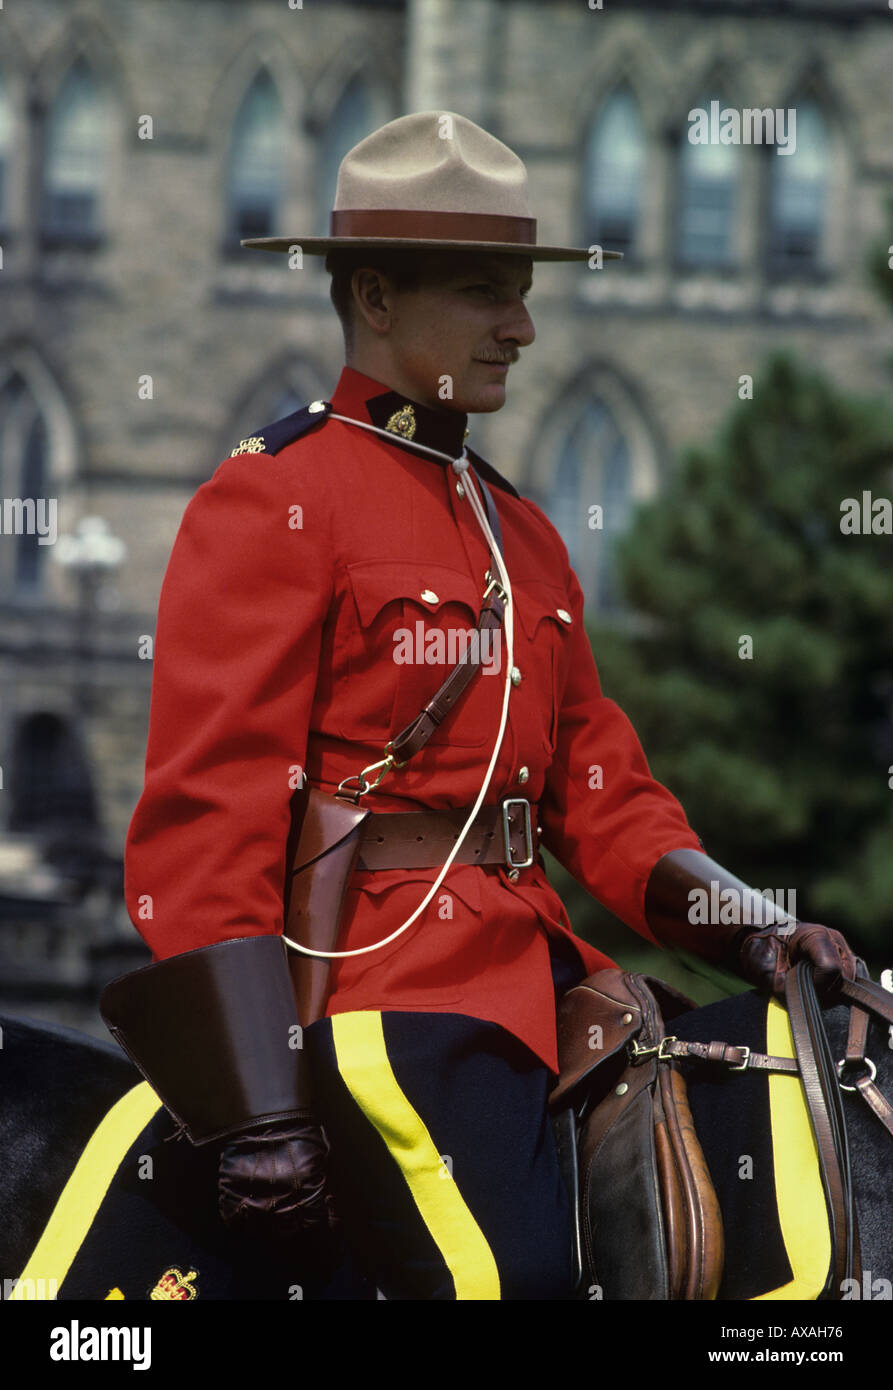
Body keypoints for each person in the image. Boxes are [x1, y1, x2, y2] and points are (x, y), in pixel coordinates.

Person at [108, 111, 858, 1301]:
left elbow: (604, 798)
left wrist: (754, 928)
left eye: (519, 290)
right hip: (378, 1008)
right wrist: (257, 1111)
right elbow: (207, 816)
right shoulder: (274, 499)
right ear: (376, 296)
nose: (521, 326)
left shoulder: (523, 533)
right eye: (481, 292)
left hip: (544, 994)